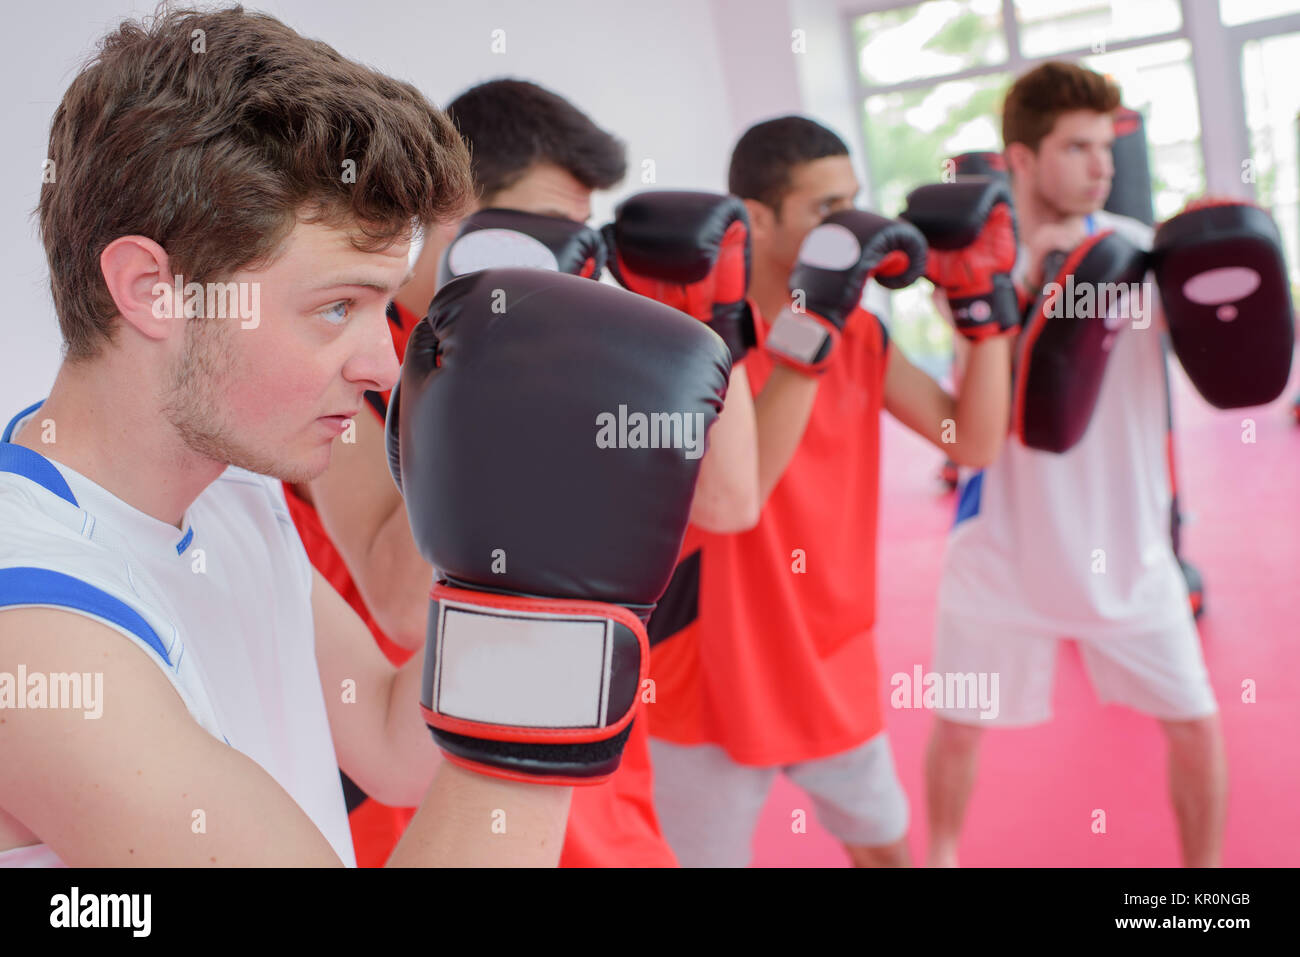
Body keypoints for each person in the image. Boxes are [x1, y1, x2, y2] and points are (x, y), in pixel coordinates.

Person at [0, 6, 708, 867]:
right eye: (336, 306)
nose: (384, 364)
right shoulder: (36, 637)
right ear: (153, 289)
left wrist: (543, 569)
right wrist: (561, 655)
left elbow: (387, 739)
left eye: (384, 303)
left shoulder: (229, 489)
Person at [289, 78, 761, 867]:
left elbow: (731, 500)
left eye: (581, 230)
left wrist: (710, 315)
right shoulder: (355, 365)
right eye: (548, 228)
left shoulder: (590, 356)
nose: (574, 255)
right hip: (435, 812)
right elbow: (403, 606)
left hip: (594, 789)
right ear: (456, 220)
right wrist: (484, 373)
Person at [646, 116, 1018, 867]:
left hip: (829, 662)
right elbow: (740, 491)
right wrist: (811, 329)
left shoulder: (858, 334)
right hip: (711, 673)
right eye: (824, 209)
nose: (850, 225)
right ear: (755, 217)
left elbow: (969, 442)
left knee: (887, 854)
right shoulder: (688, 341)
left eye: (852, 201)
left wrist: (985, 315)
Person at [925, 61, 1226, 867]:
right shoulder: (979, 266)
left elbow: (1223, 352)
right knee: (956, 721)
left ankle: (1201, 896)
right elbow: (968, 399)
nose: (1102, 165)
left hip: (1129, 549)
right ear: (1021, 158)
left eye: (1106, 146)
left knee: (1195, 725)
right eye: (1078, 147)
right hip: (1002, 547)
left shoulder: (1140, 256)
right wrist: (1030, 284)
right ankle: (944, 856)